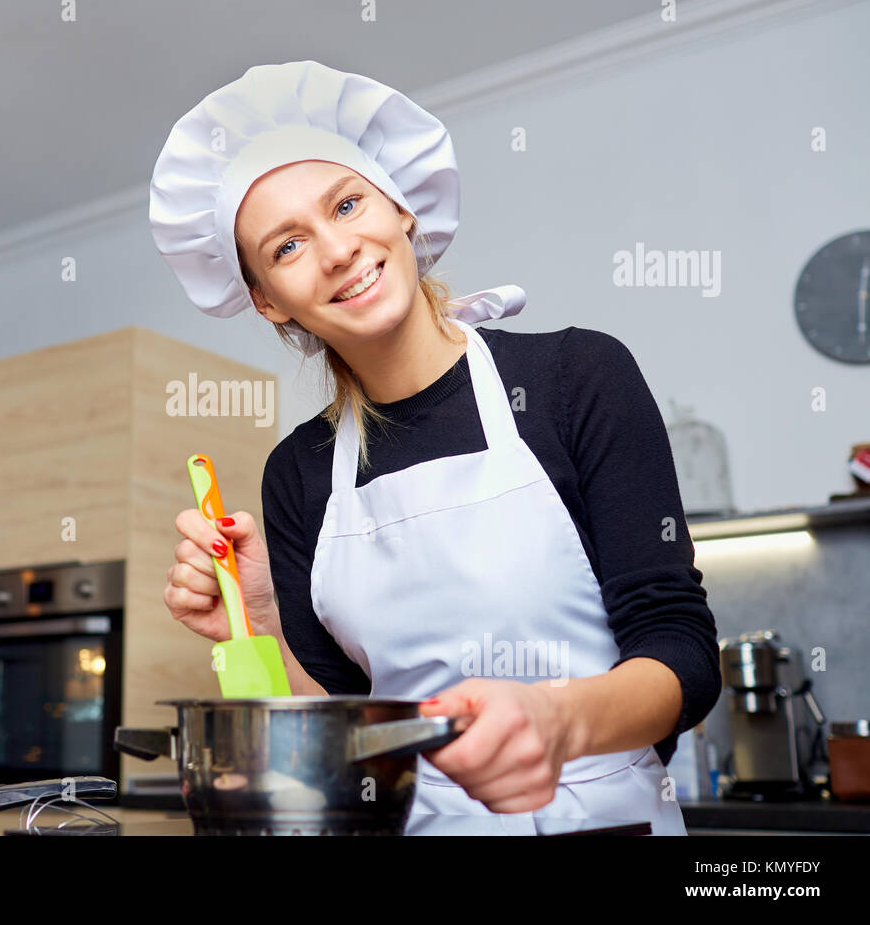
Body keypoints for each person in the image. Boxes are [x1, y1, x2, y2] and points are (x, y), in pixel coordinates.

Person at [150, 60, 720, 835]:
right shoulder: (300, 474)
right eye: (287, 247)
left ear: (402, 209)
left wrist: (556, 723)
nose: (337, 250)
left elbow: (680, 649)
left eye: (348, 204)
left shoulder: (575, 377)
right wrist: (260, 623)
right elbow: (343, 741)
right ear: (264, 299)